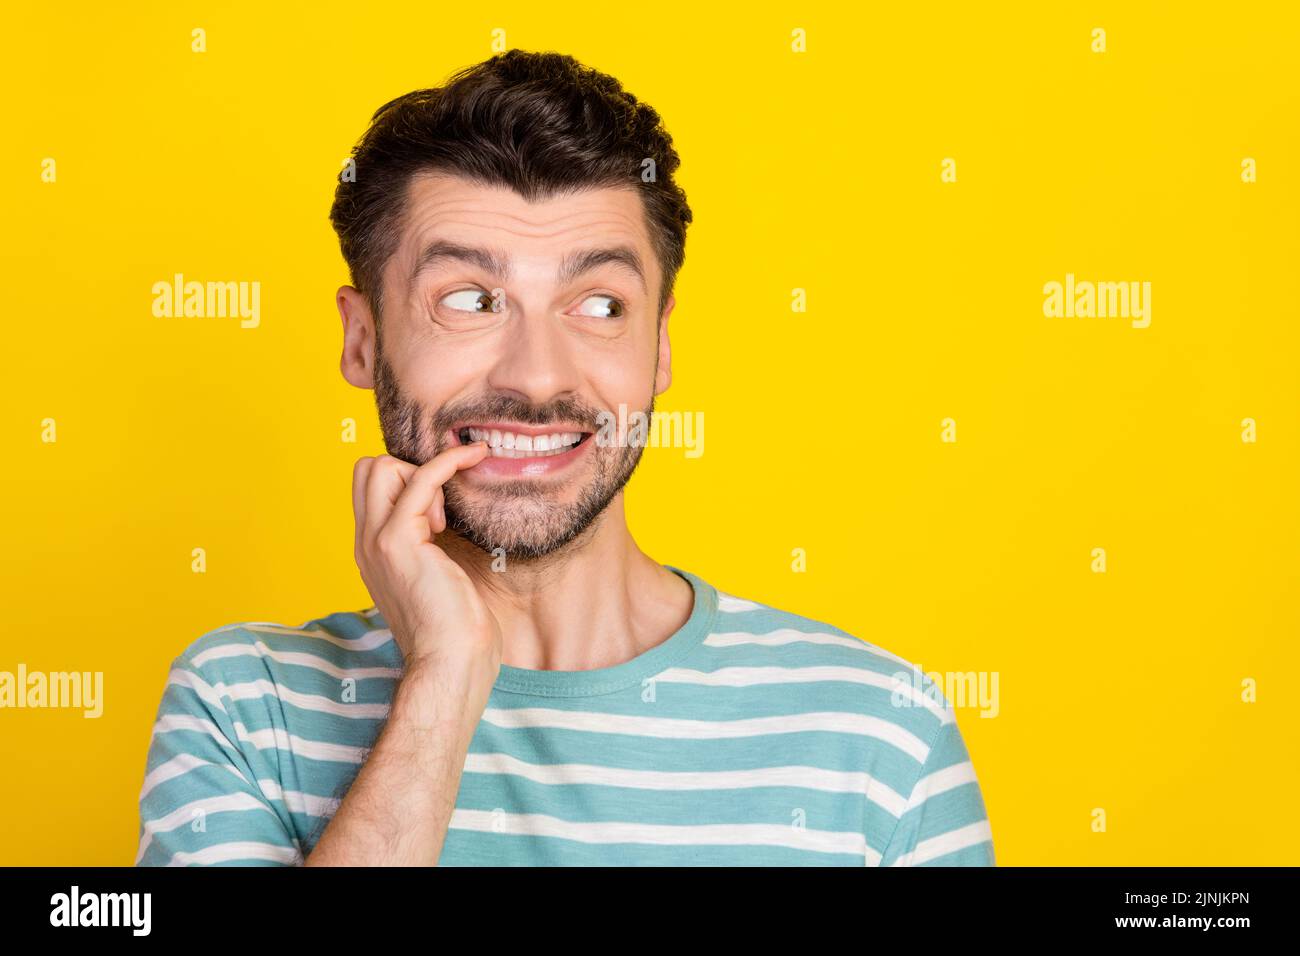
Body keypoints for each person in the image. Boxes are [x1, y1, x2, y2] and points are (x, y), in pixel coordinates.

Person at [135, 49, 995, 866]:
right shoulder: (247, 709)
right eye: (471, 300)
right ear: (363, 340)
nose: (537, 376)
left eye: (599, 304)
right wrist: (444, 679)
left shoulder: (880, 734)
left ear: (658, 349)